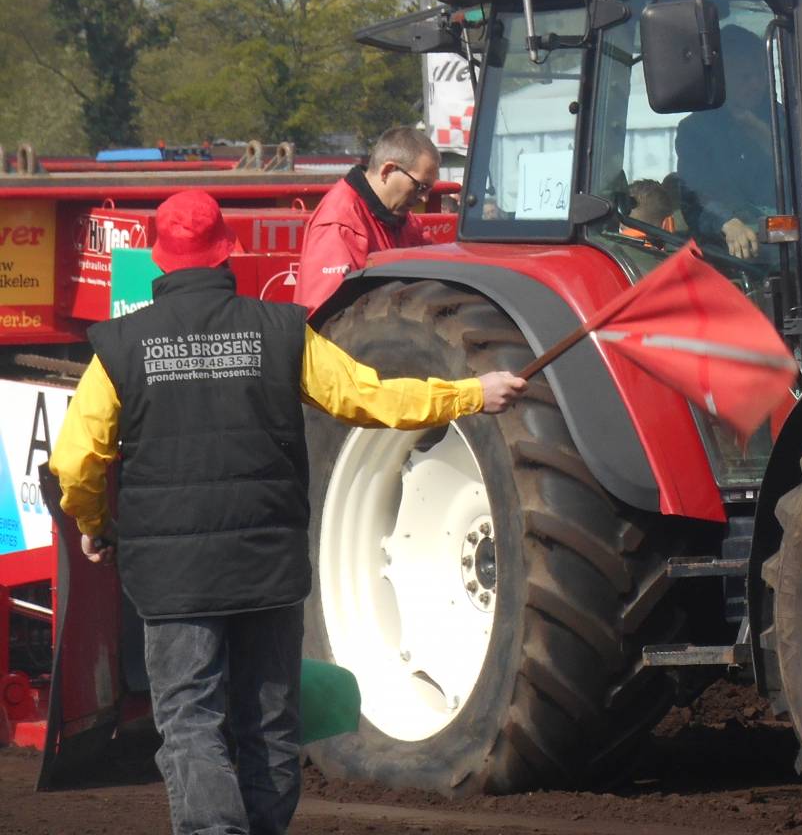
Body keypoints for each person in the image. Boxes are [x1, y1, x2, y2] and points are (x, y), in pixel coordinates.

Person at [48, 190, 526, 835]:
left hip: (173, 576)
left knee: (191, 718)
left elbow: (76, 462)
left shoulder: (119, 348)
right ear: (228, 253)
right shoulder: (280, 332)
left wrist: (93, 522)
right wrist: (472, 391)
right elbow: (371, 398)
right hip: (265, 569)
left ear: (160, 261)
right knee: (270, 717)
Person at [294, 126, 441, 312]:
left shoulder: (404, 222)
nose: (425, 198)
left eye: (429, 189)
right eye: (420, 187)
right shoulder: (340, 225)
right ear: (388, 170)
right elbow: (326, 318)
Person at [676, 23, 779, 260]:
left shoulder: (786, 120)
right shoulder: (696, 131)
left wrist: (768, 142)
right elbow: (699, 192)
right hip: (734, 254)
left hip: (791, 242)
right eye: (745, 77)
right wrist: (729, 222)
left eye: (761, 75)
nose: (756, 84)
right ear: (722, 78)